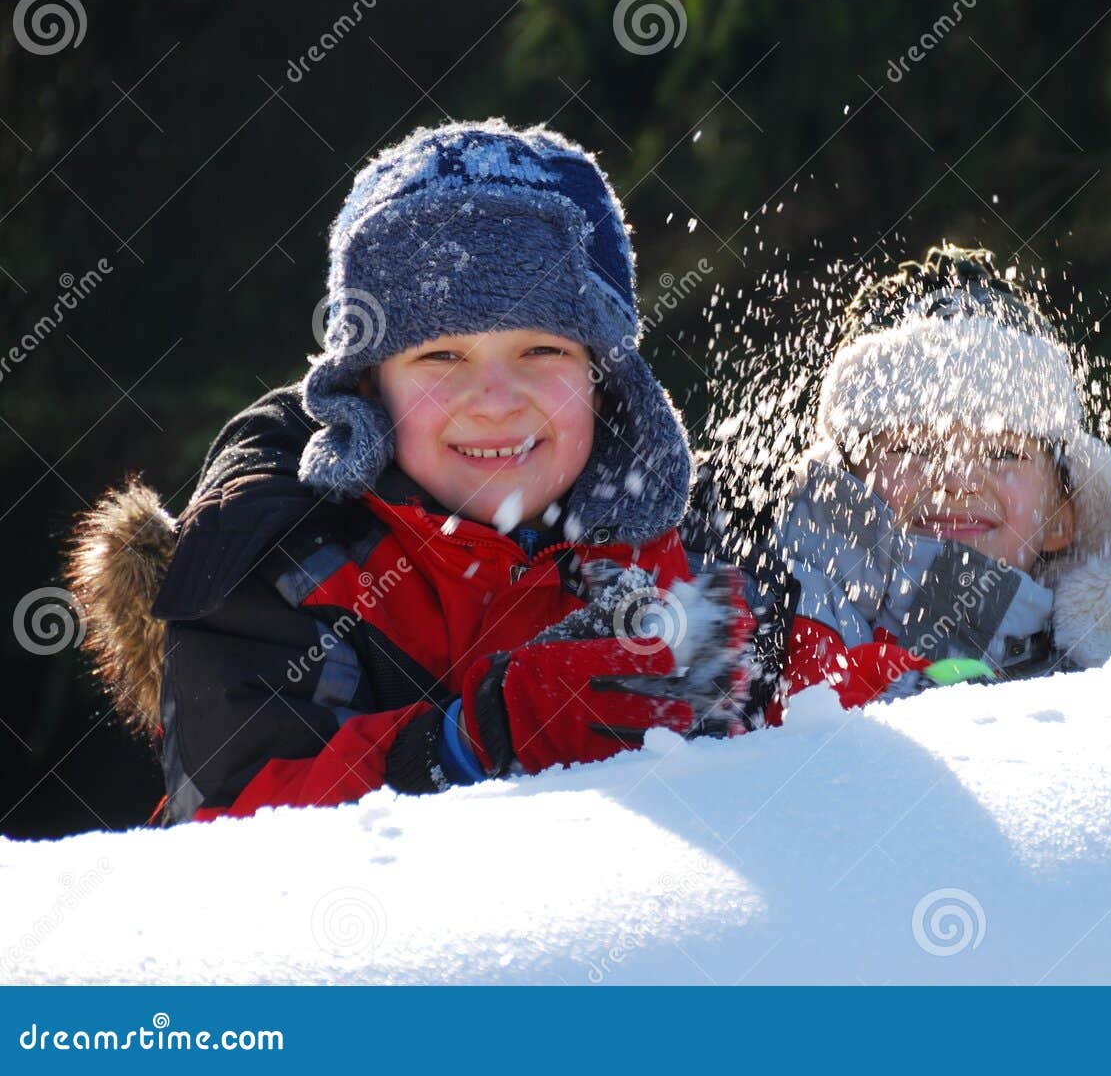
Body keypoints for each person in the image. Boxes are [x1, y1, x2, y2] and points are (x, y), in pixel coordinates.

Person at [65, 119, 752, 823]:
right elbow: (234, 827)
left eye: (542, 350)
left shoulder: (683, 538)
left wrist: (786, 644)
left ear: (603, 382)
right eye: (440, 357)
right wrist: (467, 747)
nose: (494, 401)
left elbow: (834, 724)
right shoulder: (277, 561)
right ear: (367, 390)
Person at [768, 246, 1111, 714]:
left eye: (1004, 452)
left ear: (1065, 516)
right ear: (845, 480)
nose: (957, 480)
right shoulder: (769, 623)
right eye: (912, 449)